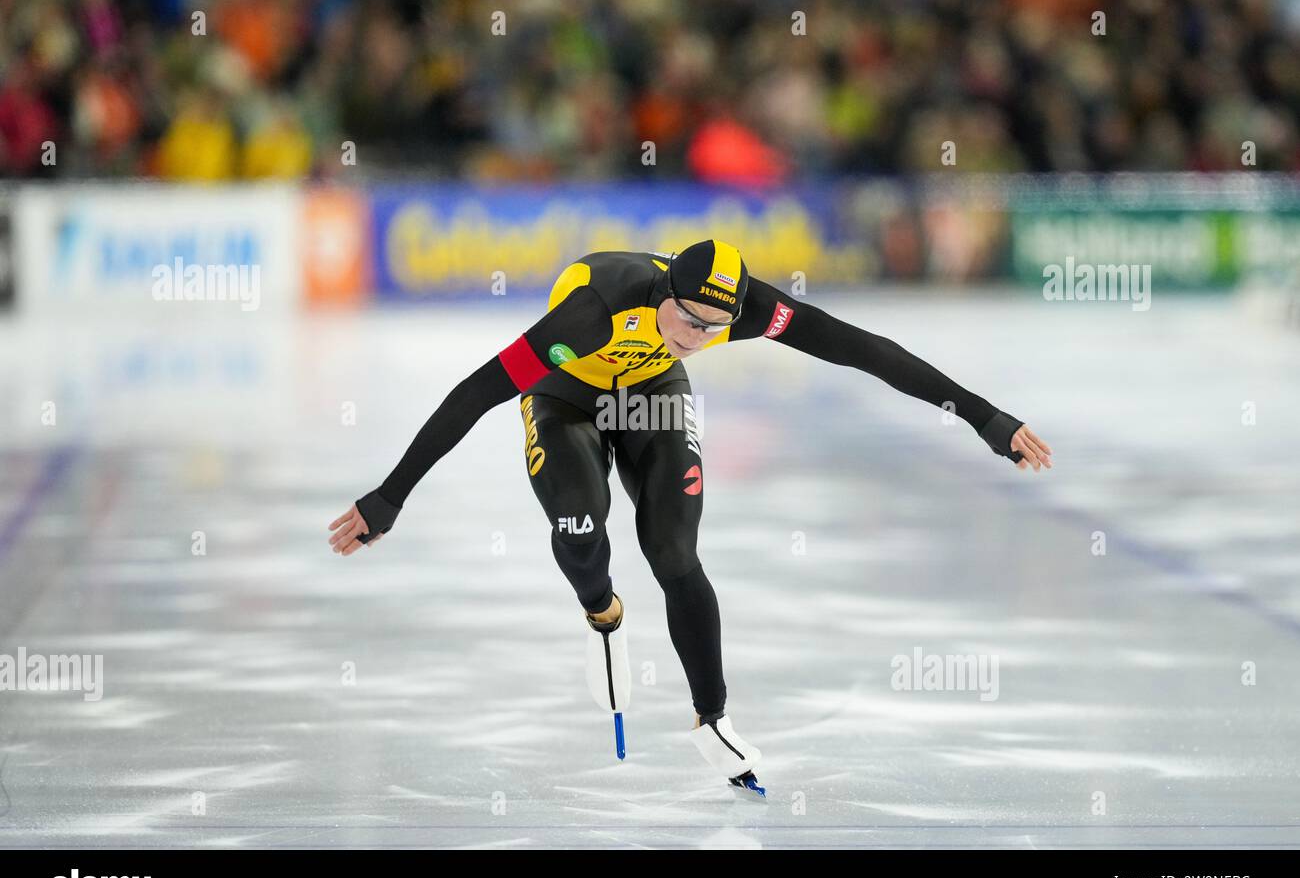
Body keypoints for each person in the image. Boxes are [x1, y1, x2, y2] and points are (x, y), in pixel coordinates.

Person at [327, 240, 1052, 794]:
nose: (698, 335)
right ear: (664, 292)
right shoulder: (595, 311)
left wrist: (984, 418)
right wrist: (390, 496)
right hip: (565, 397)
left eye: (715, 328)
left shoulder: (739, 309)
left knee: (674, 556)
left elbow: (864, 350)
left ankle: (714, 717)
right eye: (687, 318)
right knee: (582, 530)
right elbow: (475, 391)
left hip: (652, 398)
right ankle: (602, 615)